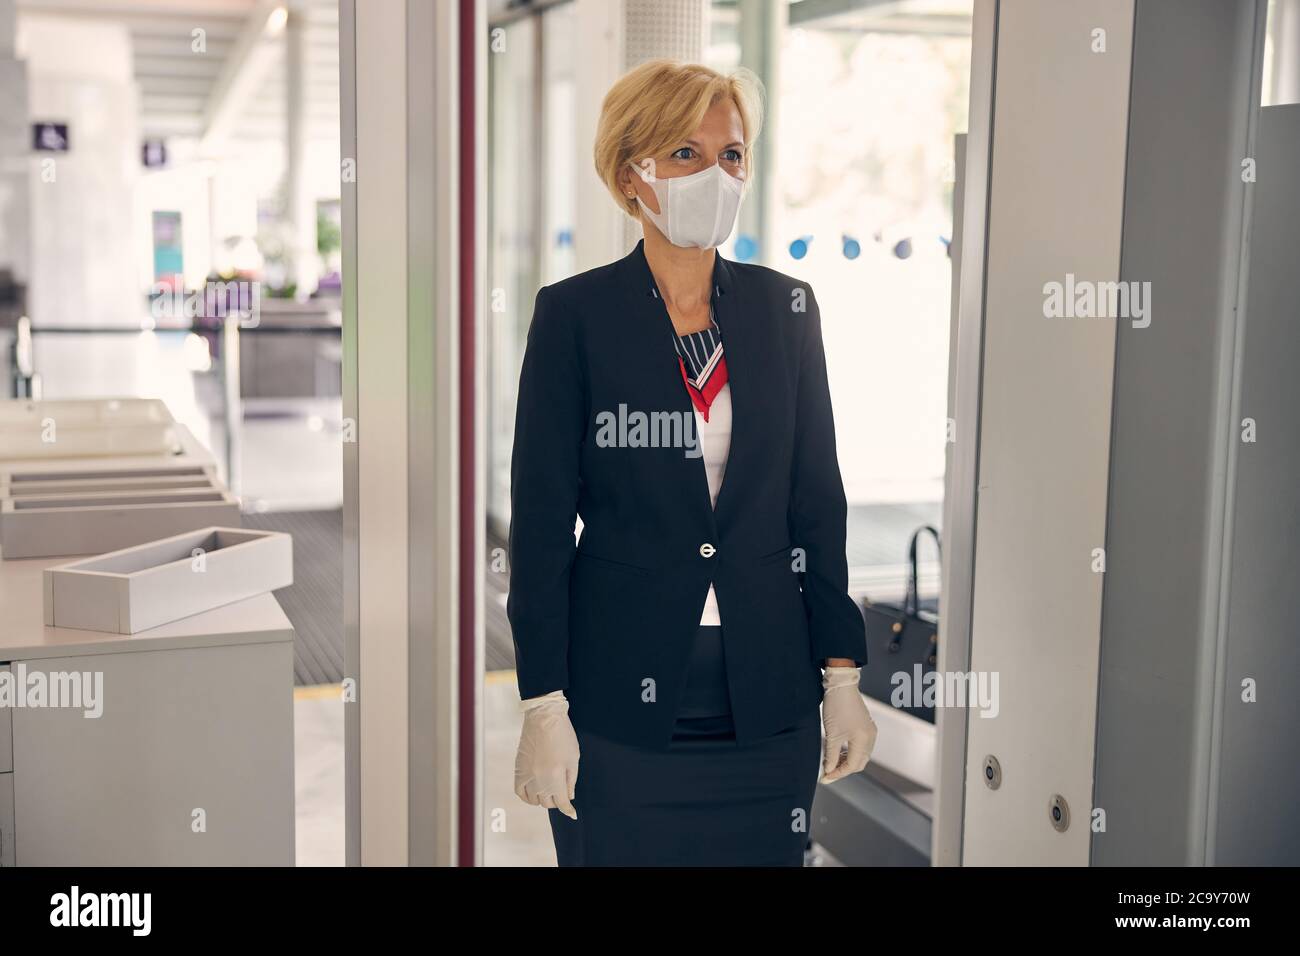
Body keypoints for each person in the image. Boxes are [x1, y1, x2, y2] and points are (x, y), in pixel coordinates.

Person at [508, 58, 877, 867]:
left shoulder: (787, 311)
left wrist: (841, 676)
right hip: (617, 700)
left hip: (768, 698)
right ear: (630, 173)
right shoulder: (575, 316)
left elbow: (817, 501)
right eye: (685, 153)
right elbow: (539, 522)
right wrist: (542, 700)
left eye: (732, 155)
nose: (716, 173)